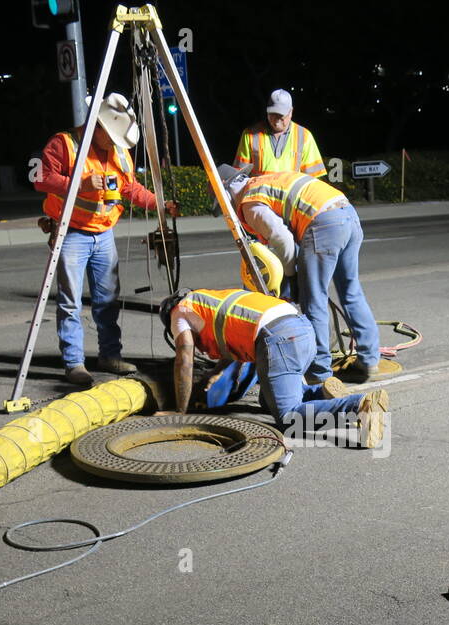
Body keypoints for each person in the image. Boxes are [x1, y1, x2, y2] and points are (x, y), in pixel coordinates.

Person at [34, 93, 179, 386]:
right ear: (97, 125)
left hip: (104, 234)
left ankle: (109, 356)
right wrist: (79, 183)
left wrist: (158, 204)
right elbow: (41, 179)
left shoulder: (118, 151)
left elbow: (130, 188)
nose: (114, 143)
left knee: (107, 301)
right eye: (110, 136)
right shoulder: (64, 144)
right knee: (70, 303)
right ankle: (74, 363)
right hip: (71, 232)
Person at [160, 288, 388, 449]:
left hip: (280, 341)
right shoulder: (209, 299)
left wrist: (181, 411)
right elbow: (232, 332)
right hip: (302, 329)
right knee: (266, 401)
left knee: (288, 417)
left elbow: (184, 360)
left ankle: (358, 406)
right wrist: (218, 371)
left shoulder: (179, 313)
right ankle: (319, 393)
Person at [216, 164, 382, 384]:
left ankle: (318, 372)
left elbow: (282, 239)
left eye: (222, 202)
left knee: (313, 298)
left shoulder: (250, 203)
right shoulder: (267, 181)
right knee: (351, 291)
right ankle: (370, 360)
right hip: (348, 214)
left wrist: (292, 277)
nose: (225, 208)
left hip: (324, 224)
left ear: (227, 191)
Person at [235, 89, 326, 180]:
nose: (276, 121)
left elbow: (313, 181)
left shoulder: (304, 136)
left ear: (291, 112)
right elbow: (239, 176)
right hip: (258, 194)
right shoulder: (250, 134)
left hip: (290, 194)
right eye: (272, 114)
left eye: (281, 116)